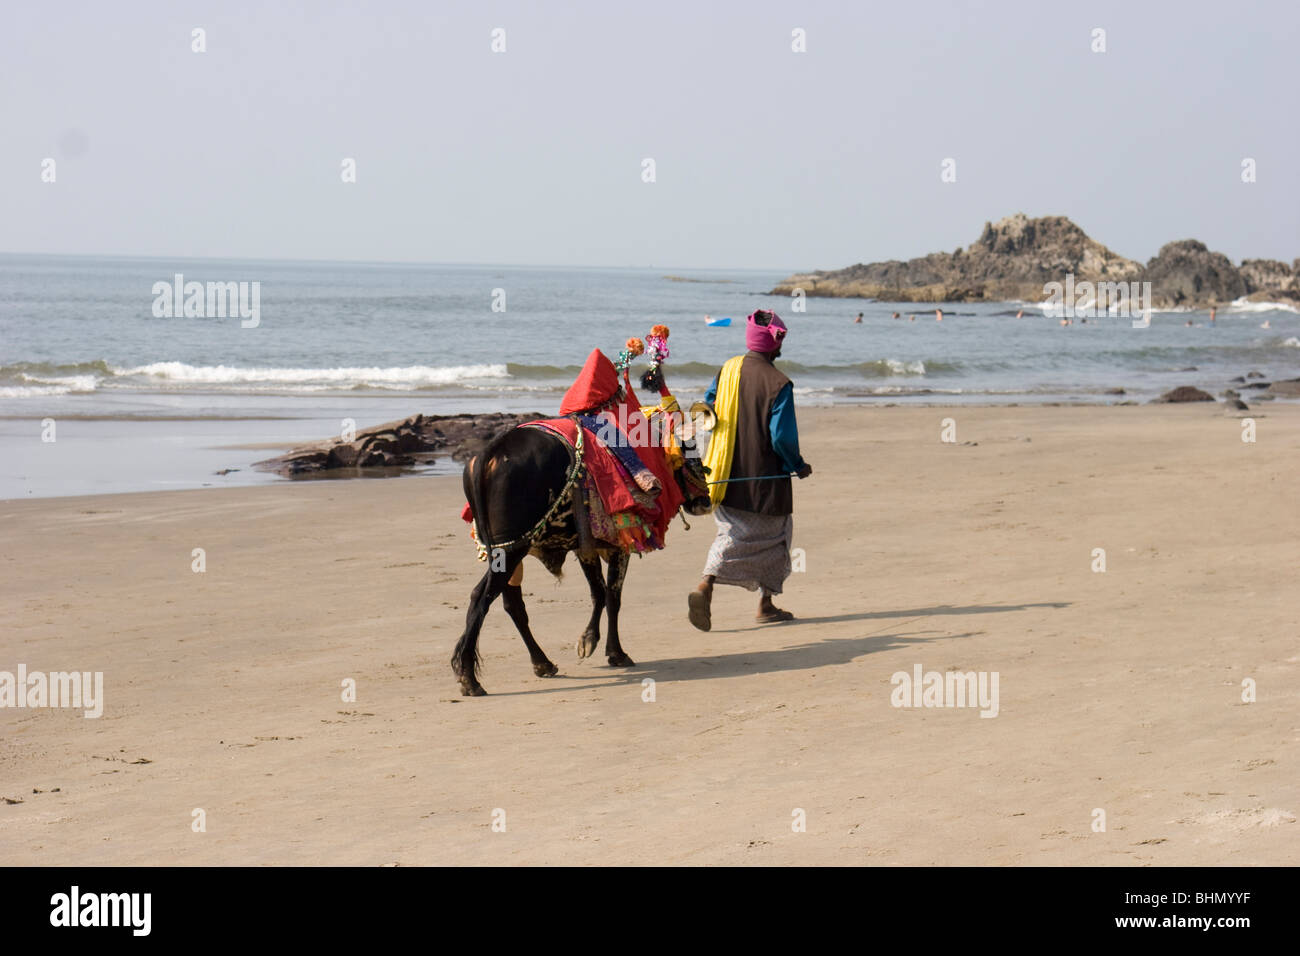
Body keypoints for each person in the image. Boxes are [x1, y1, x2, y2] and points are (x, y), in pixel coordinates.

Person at [689, 310, 811, 630]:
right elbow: (782, 437)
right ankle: (736, 593)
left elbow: (709, 407)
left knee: (730, 531)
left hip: (723, 472)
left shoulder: (728, 369)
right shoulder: (779, 383)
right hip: (765, 479)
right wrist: (798, 465)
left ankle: (727, 590)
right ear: (773, 344)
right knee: (778, 536)